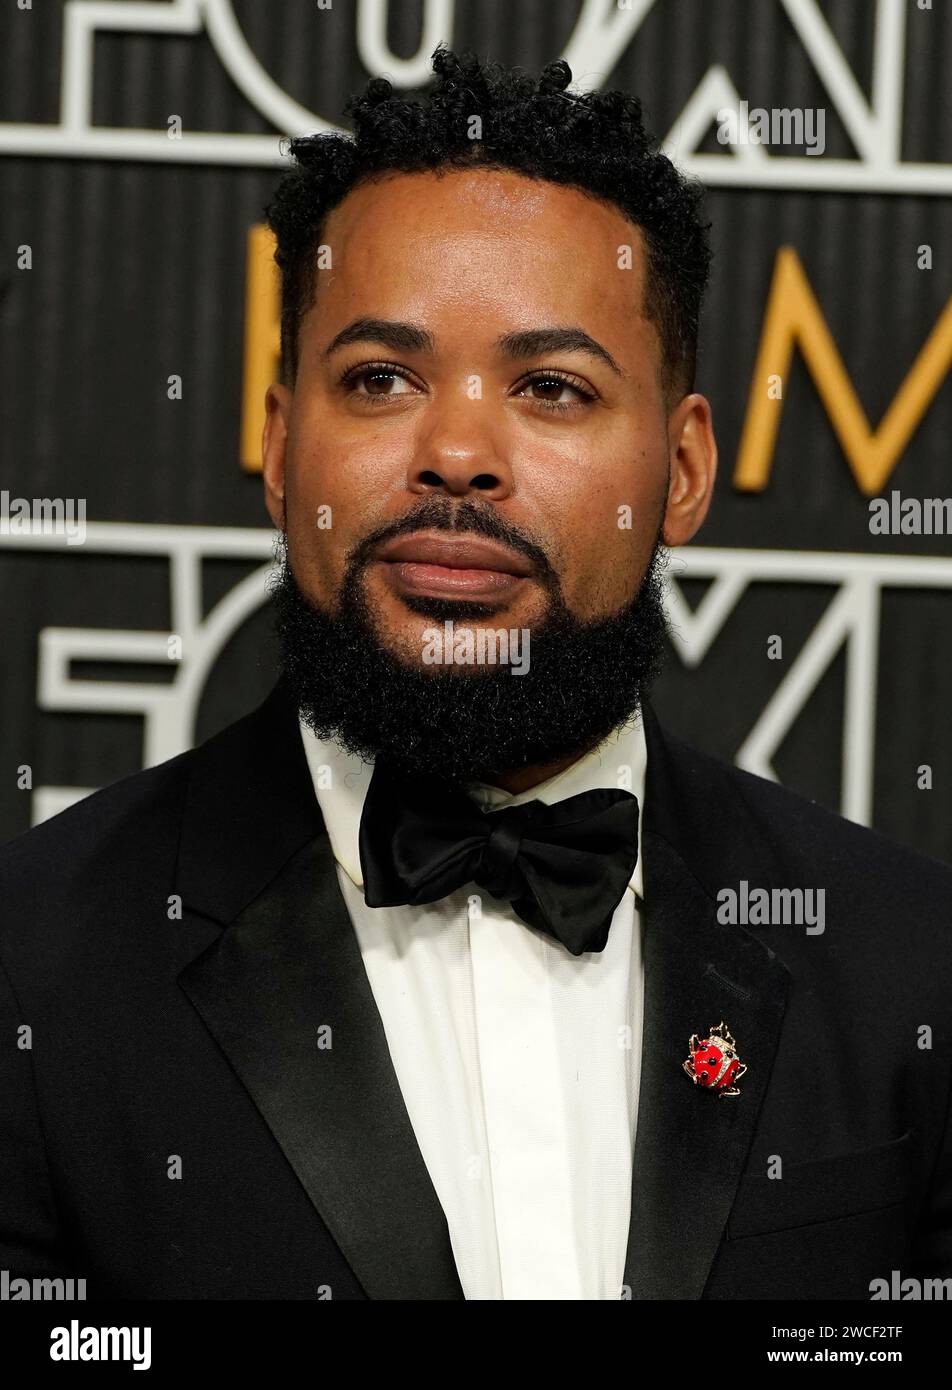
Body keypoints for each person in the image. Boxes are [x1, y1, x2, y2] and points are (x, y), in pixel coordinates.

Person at [1, 46, 950, 1302]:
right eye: (381, 378)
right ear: (282, 446)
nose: (455, 451)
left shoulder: (905, 963)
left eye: (550, 387)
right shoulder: (37, 965)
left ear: (680, 471)